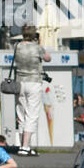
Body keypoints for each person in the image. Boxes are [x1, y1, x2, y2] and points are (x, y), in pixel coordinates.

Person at [10, 27, 52, 155]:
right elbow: (48, 58)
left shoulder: (17, 46)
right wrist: (40, 44)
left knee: (21, 113)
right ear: (34, 36)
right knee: (32, 114)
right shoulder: (37, 47)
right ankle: (25, 146)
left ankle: (22, 144)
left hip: (20, 82)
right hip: (34, 81)